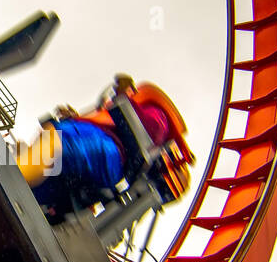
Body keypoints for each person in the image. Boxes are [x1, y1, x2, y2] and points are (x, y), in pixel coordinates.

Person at [16, 75, 193, 222]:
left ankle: (12, 175)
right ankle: (17, 192)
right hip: (96, 159)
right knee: (38, 188)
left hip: (106, 152)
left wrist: (125, 94)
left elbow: (146, 127)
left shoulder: (158, 117)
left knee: (53, 139)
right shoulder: (124, 121)